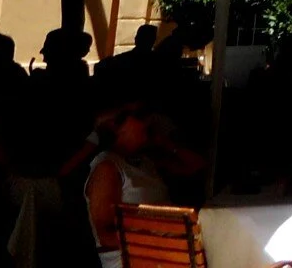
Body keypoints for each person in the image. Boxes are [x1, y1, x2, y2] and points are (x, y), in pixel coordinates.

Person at [83, 102, 203, 268]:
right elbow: (106, 235)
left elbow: (196, 166)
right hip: (135, 259)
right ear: (117, 127)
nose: (148, 121)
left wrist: (166, 144)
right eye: (139, 117)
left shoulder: (145, 162)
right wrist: (167, 237)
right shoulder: (107, 168)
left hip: (166, 253)